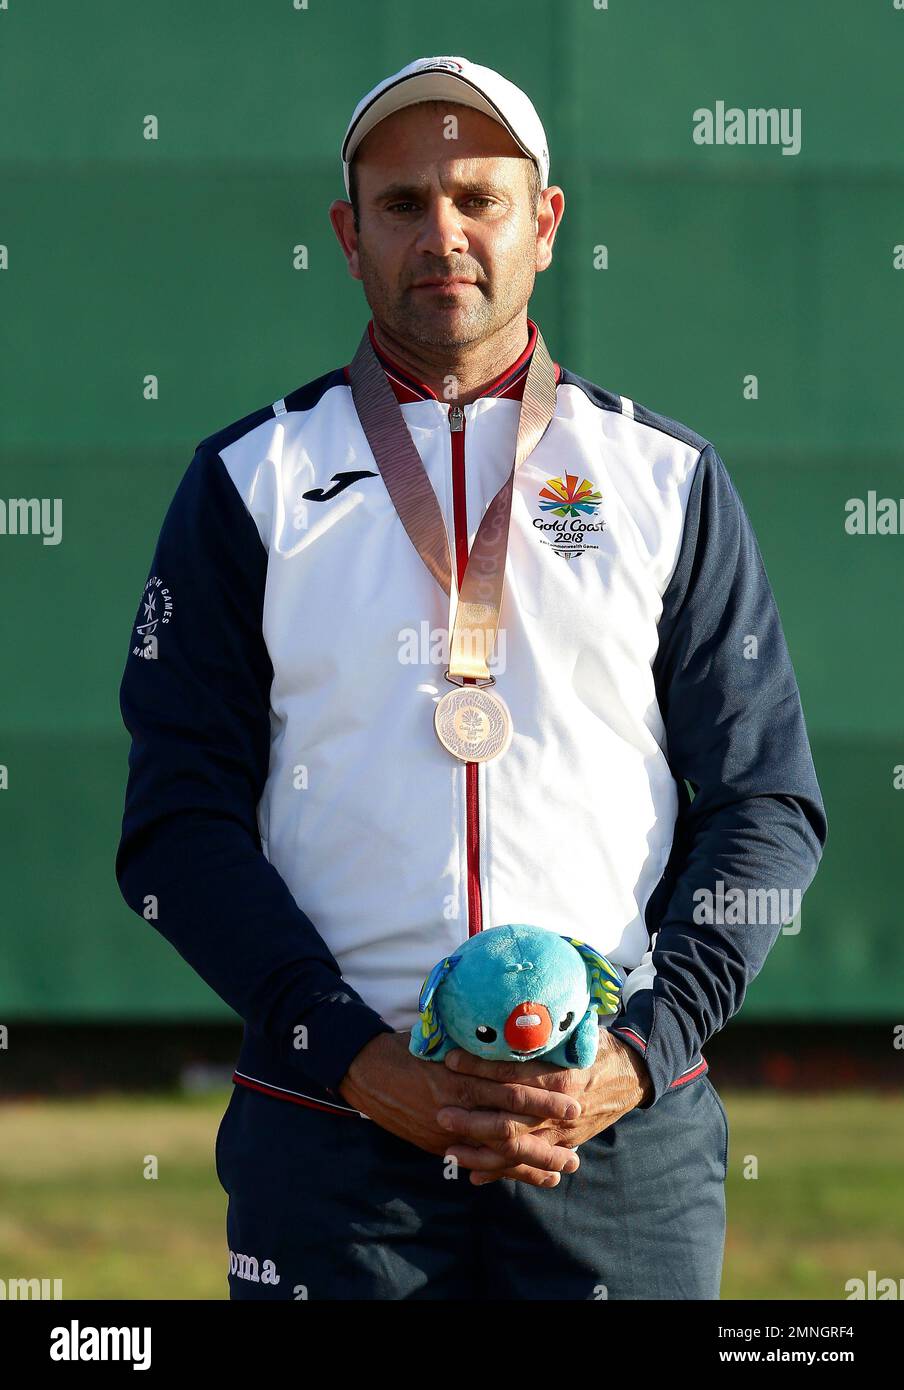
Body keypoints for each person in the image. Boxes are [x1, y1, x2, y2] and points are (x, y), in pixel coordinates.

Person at [115, 55, 827, 1300]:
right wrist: (348, 1052)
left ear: (544, 224)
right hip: (332, 1138)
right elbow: (178, 828)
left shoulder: (664, 479)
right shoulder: (248, 482)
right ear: (348, 235)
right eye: (401, 203)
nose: (440, 232)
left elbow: (765, 807)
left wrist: (638, 1051)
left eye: (477, 199)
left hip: (613, 1136)